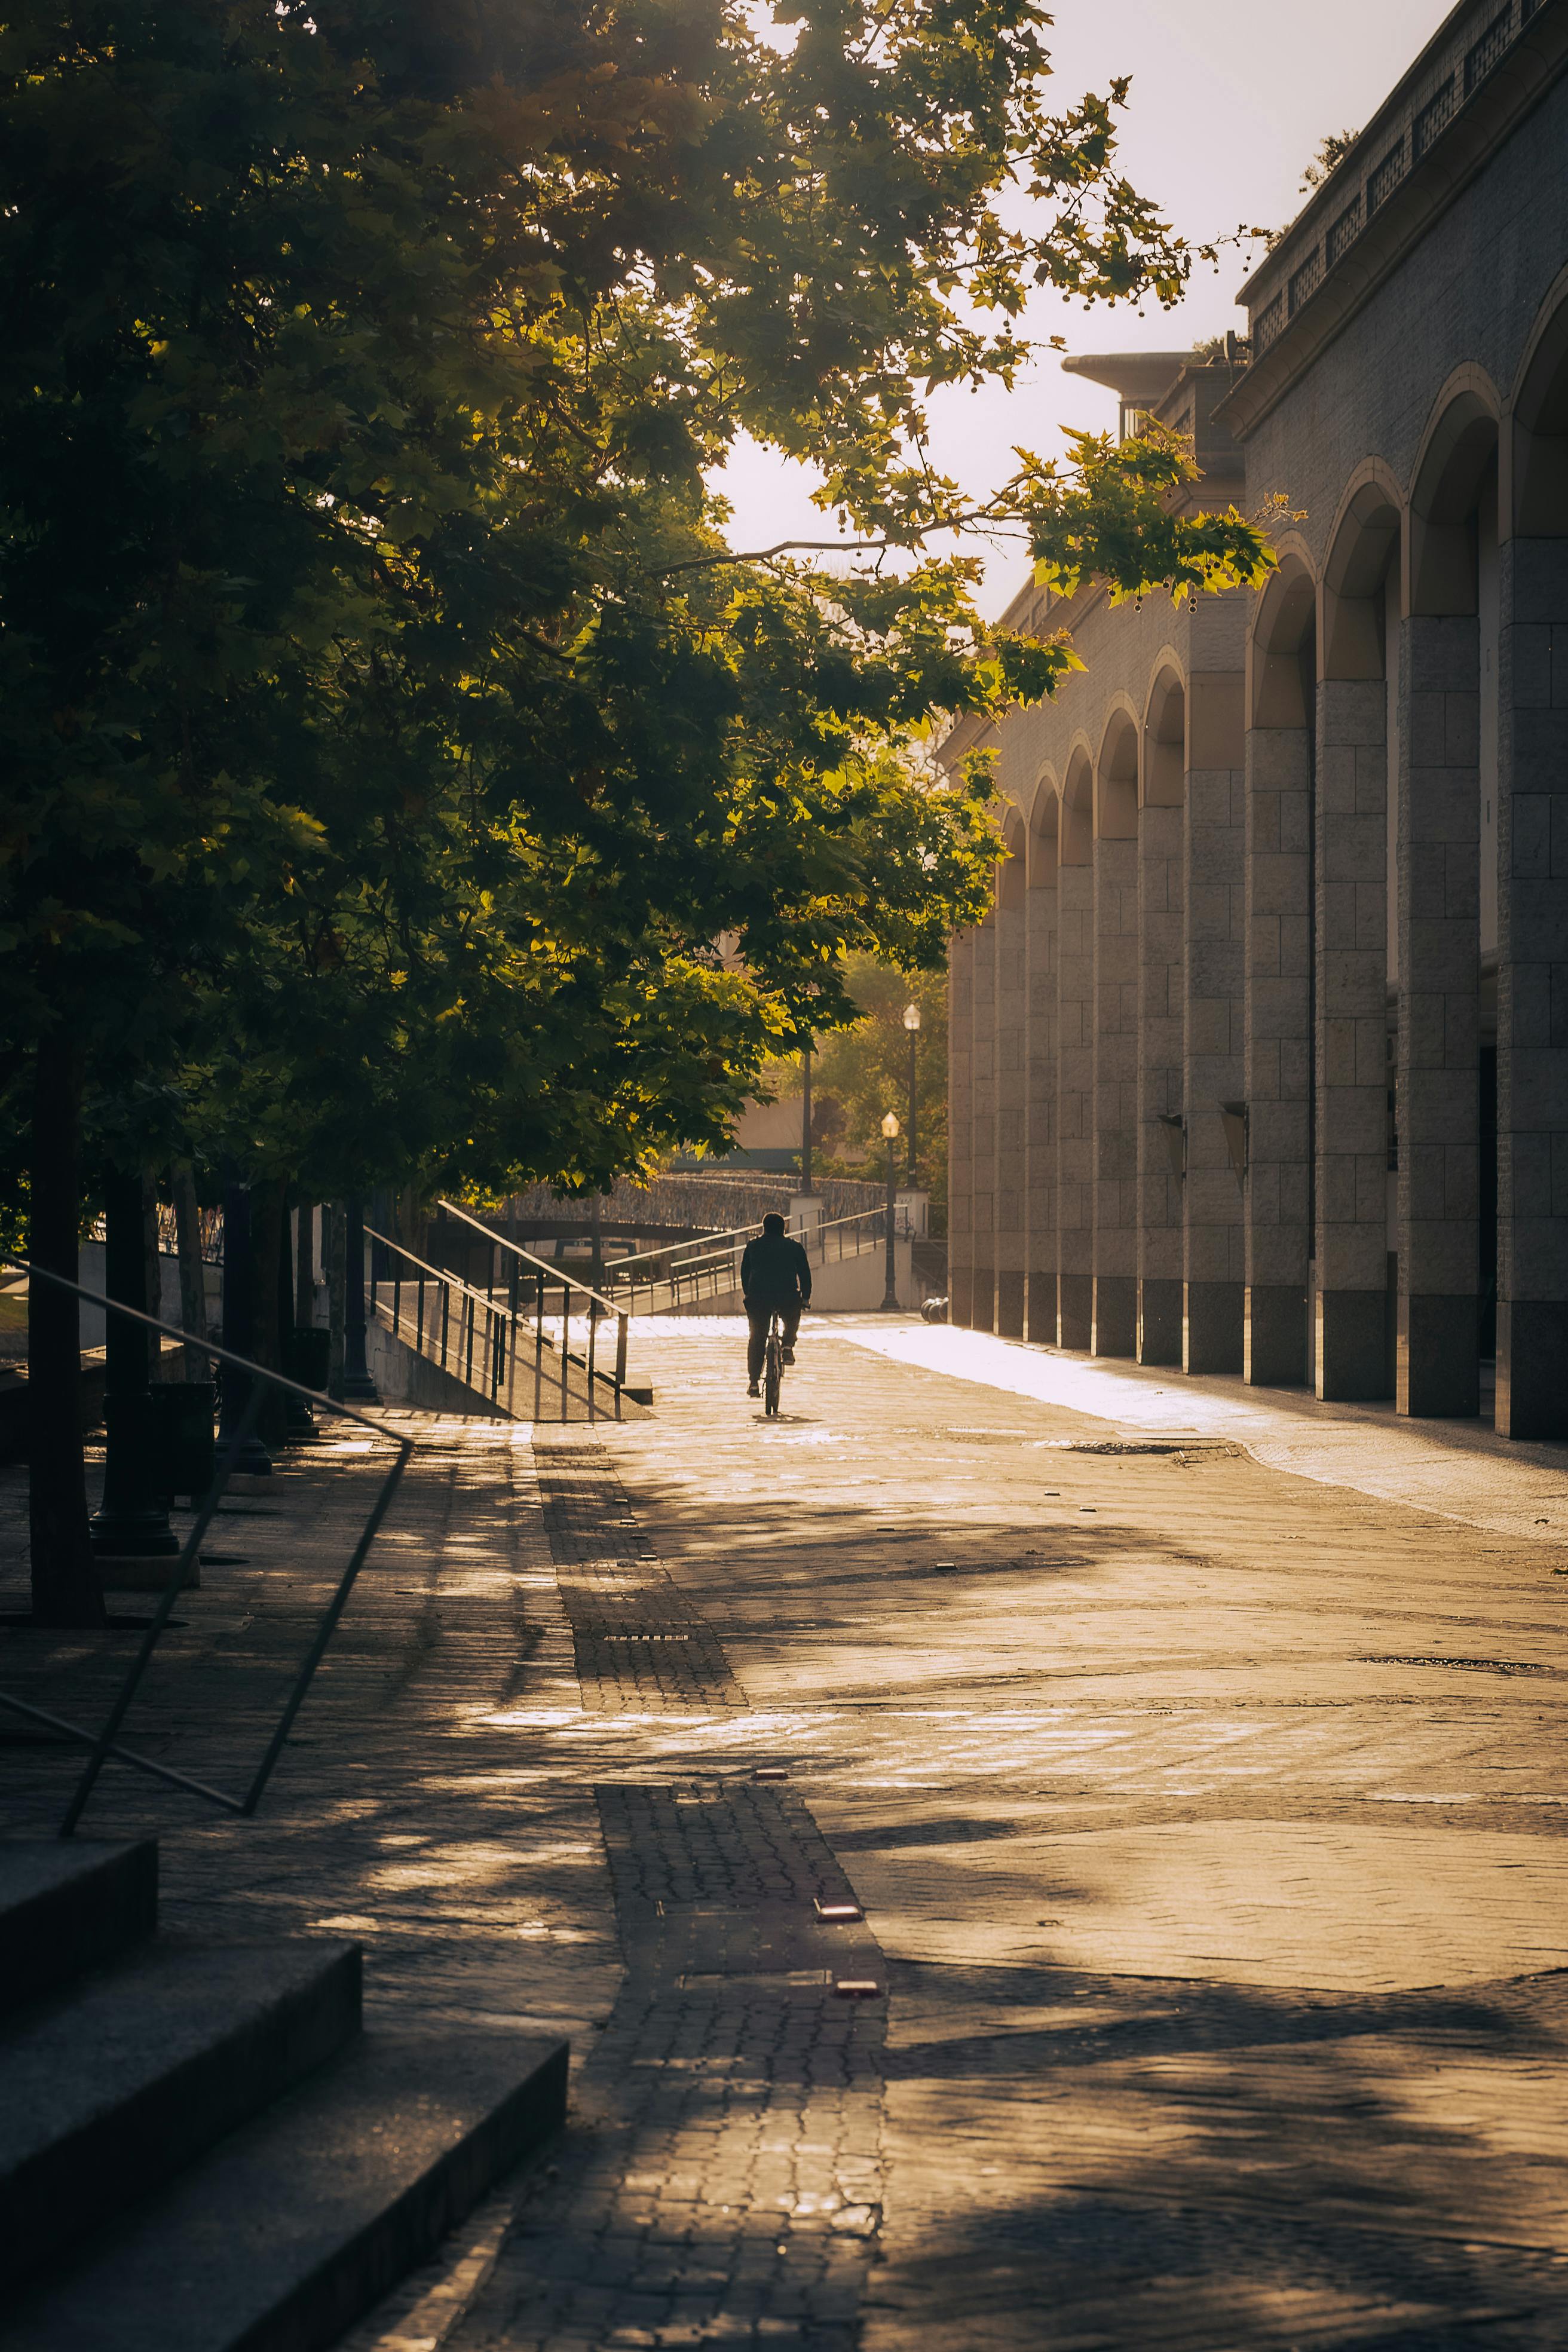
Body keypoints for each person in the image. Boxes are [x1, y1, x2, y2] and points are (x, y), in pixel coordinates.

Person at [740, 1211, 812, 1396]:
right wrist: (806, 1297)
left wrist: (749, 1293)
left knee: (757, 1337)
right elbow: (804, 1273)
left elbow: (745, 1271)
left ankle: (754, 1382)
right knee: (792, 1315)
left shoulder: (753, 1246)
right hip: (786, 1296)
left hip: (758, 1298)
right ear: (784, 1229)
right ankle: (787, 1346)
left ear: (764, 1228)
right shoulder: (794, 1247)